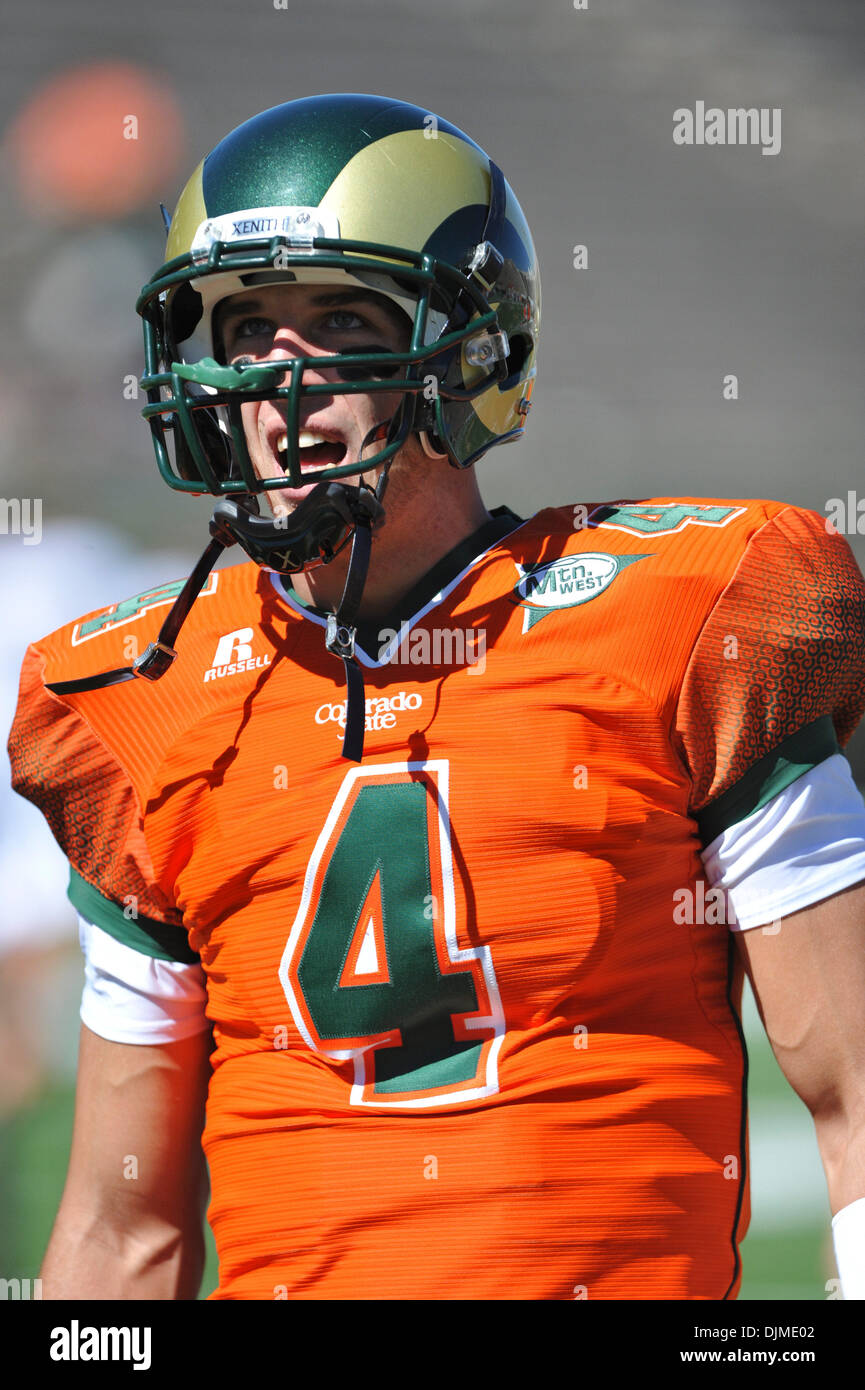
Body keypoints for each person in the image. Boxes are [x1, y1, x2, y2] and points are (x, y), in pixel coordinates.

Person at [8, 92, 865, 1302]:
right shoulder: (135, 701)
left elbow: (855, 1102)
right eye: (246, 328)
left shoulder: (679, 612)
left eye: (342, 319)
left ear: (472, 348)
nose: (279, 379)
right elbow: (120, 1232)